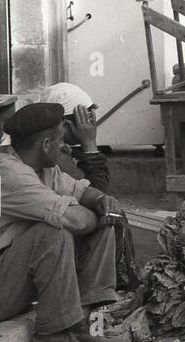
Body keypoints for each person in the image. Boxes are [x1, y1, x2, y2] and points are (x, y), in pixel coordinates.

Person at [0, 104, 128, 342]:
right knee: (53, 234)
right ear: (45, 144)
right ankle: (52, 340)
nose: (64, 147)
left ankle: (86, 327)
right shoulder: (7, 173)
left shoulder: (40, 167)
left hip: (7, 279)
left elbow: (80, 191)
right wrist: (100, 214)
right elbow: (77, 221)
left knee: (102, 225)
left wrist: (101, 199)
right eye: (60, 141)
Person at [39, 83, 141, 291]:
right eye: (87, 120)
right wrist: (89, 144)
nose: (92, 126)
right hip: (52, 234)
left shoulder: (61, 148)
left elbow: (90, 191)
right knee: (110, 217)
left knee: (110, 209)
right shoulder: (53, 155)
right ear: (66, 125)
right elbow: (96, 188)